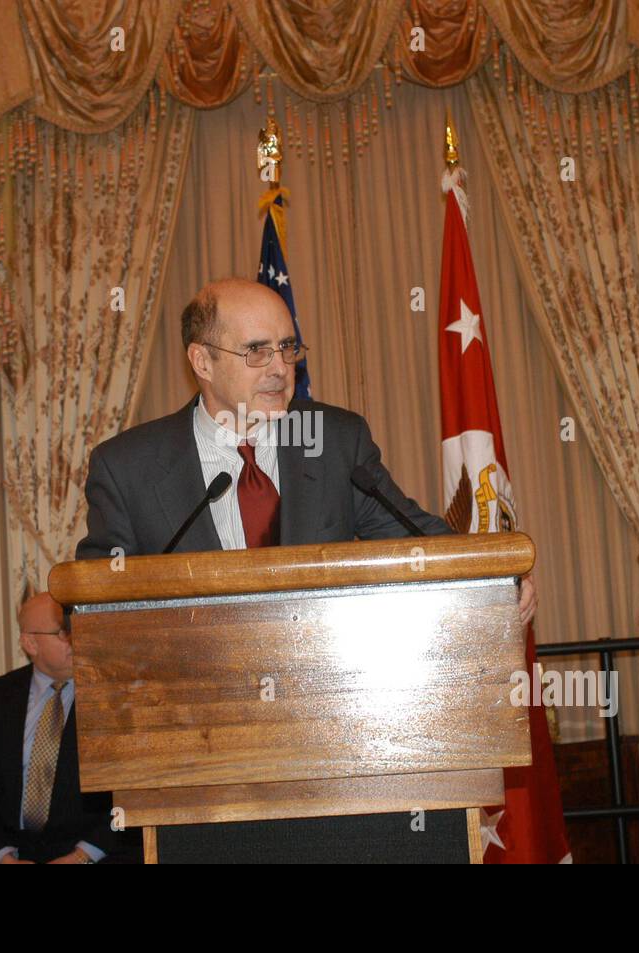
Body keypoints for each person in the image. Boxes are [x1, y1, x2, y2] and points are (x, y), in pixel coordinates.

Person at [76, 277, 536, 862]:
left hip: (342, 752)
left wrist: (494, 574)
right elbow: (94, 601)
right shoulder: (129, 466)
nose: (278, 368)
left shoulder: (335, 440)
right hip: (197, 765)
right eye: (257, 350)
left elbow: (415, 536)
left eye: (288, 349)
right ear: (202, 361)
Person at [0, 593, 140, 863]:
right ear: (30, 643)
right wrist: (3, 858)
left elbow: (132, 793)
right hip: (7, 851)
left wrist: (81, 856)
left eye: (77, 627)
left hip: (95, 851)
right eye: (64, 632)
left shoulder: (117, 696)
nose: (76, 638)